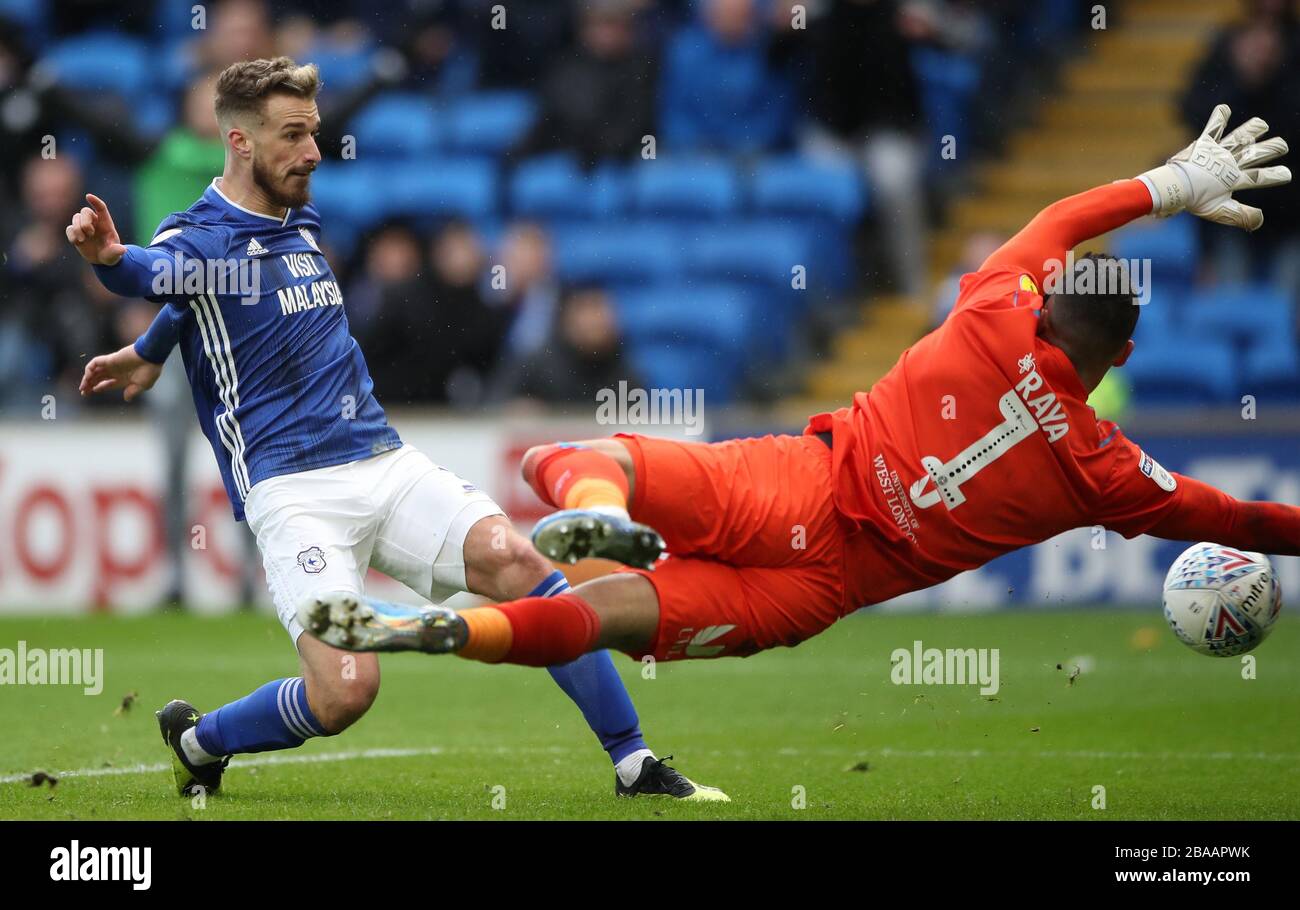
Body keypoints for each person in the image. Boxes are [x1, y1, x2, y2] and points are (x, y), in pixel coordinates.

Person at [299, 105, 1300, 672]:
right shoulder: (1107, 471)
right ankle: (422, 633)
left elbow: (1052, 224)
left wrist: (1169, 183)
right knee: (602, 618)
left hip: (798, 481)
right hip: (819, 588)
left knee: (568, 458)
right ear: (1117, 361)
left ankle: (592, 513)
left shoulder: (994, 307)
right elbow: (1238, 516)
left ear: (1043, 310)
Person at [68, 57, 725, 803]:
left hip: (380, 459)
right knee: (346, 692)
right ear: (241, 143)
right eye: (293, 136)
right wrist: (112, 260)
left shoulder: (295, 217)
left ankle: (634, 762)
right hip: (293, 491)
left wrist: (149, 354)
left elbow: (206, 295)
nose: (315, 152)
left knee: (515, 561)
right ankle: (199, 740)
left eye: (314, 133)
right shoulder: (198, 235)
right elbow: (160, 273)